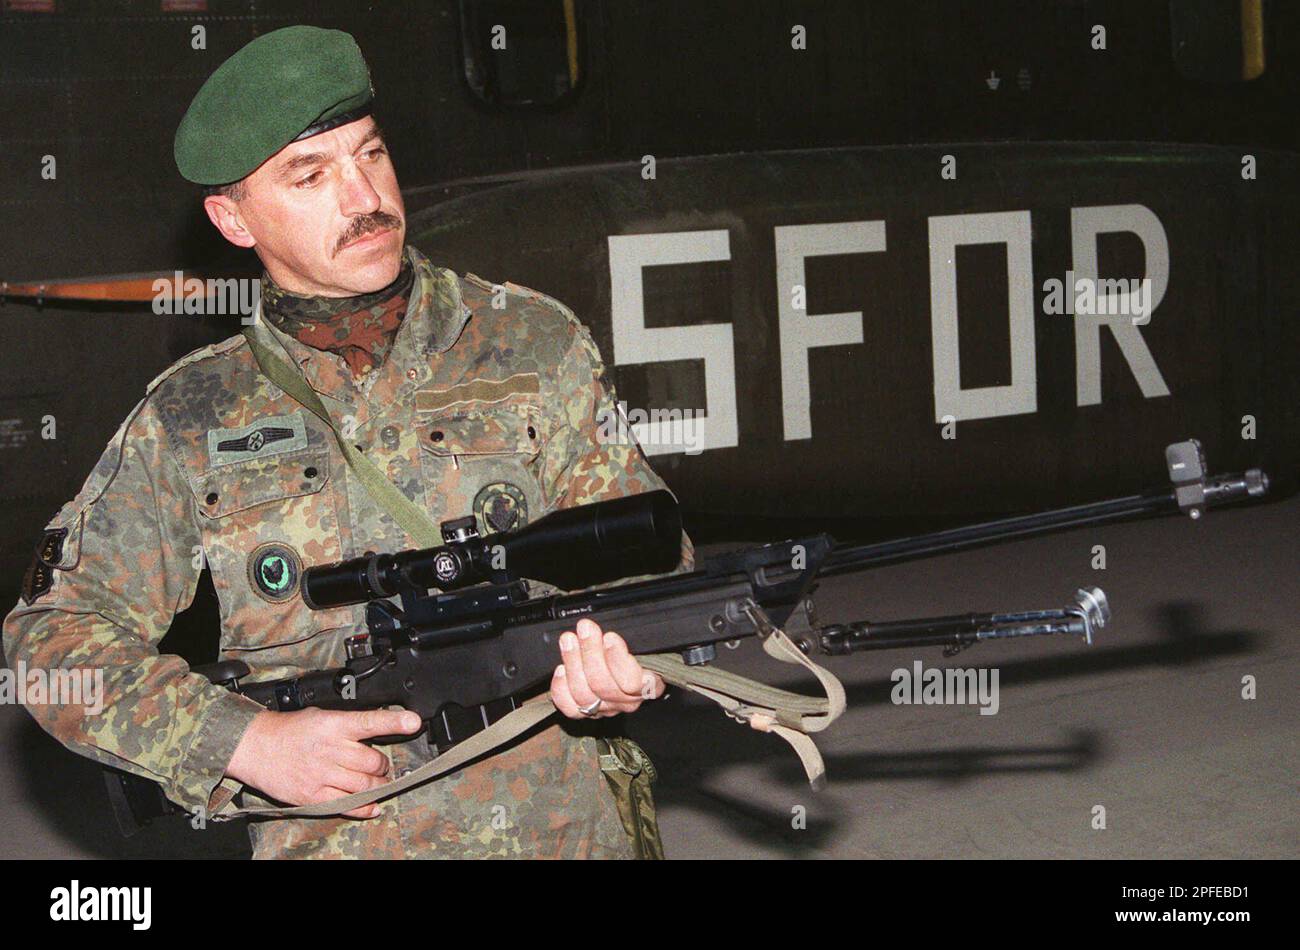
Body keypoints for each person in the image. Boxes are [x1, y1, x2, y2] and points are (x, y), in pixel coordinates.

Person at [3, 25, 692, 859]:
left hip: (565, 835)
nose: (363, 196)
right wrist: (242, 741)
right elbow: (49, 641)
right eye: (311, 175)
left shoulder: (532, 340)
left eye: (371, 154)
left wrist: (629, 657)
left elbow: (652, 549)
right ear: (233, 219)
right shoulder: (190, 416)